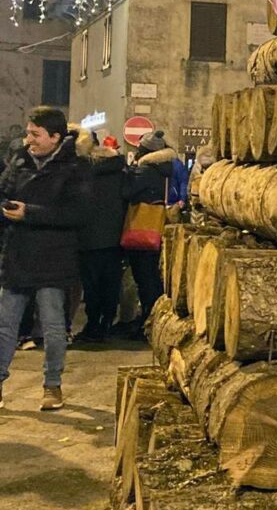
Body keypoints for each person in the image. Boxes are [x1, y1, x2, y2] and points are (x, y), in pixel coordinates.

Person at [0, 106, 89, 410]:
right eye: (28, 133)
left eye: (35, 134)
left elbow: (78, 214)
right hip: (18, 256)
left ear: (55, 137)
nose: (29, 140)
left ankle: (53, 386)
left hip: (54, 259)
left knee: (52, 328)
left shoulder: (75, 168)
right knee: (5, 326)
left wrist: (30, 213)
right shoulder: (19, 160)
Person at [121, 130, 184, 329]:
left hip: (142, 225)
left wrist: (130, 171)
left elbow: (127, 191)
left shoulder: (146, 170)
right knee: (152, 276)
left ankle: (148, 319)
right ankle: (151, 316)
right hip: (157, 226)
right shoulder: (166, 168)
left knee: (144, 276)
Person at [74, 129, 127, 344]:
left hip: (88, 238)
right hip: (115, 237)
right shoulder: (120, 170)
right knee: (111, 283)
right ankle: (106, 323)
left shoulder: (83, 171)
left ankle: (93, 325)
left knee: (92, 285)